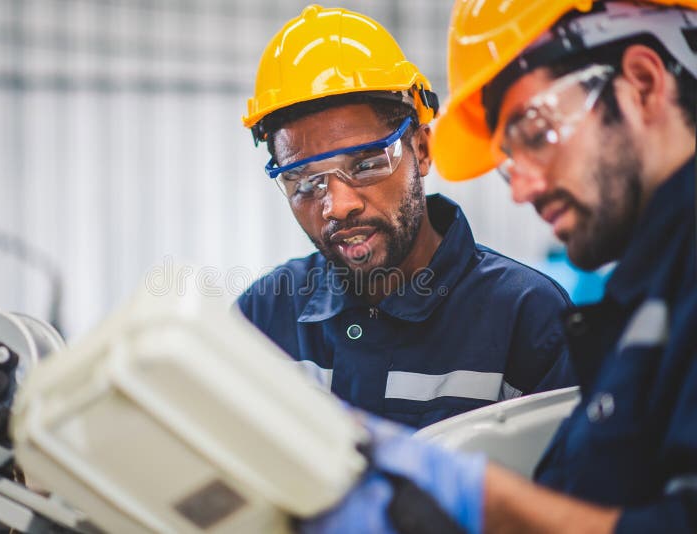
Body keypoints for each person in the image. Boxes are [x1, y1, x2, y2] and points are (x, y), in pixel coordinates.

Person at [300, 1, 697, 533]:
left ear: (644, 83)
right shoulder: (650, 298)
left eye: (535, 132)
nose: (524, 189)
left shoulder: (538, 309)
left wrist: (484, 503)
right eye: (511, 159)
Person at [237, 5, 574, 429]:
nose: (338, 205)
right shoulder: (265, 315)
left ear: (423, 149)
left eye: (365, 164)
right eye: (304, 181)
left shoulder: (524, 317)